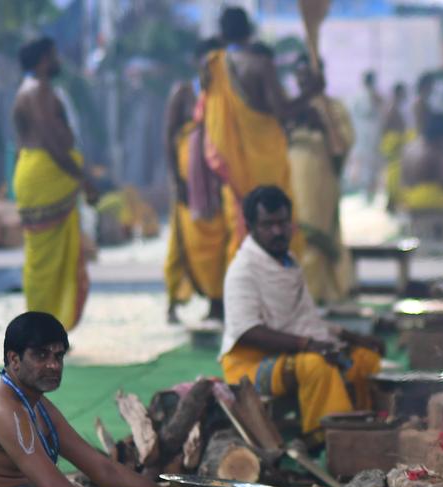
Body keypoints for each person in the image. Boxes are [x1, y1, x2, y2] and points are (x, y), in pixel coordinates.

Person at [0, 313, 170, 487]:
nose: (53, 365)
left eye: (58, 356)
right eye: (41, 355)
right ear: (14, 360)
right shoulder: (3, 409)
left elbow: (103, 470)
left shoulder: (36, 402)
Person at [219, 187, 382, 445]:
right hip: (248, 366)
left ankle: (364, 427)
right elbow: (248, 331)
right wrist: (307, 345)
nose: (277, 231)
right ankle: (328, 439)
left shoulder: (289, 261)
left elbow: (306, 318)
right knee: (316, 364)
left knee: (365, 359)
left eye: (283, 223)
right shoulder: (242, 270)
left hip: (291, 352)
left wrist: (352, 336)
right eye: (268, 225)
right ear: (250, 227)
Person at [202, 6, 321, 259]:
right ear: (250, 30)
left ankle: (239, 286)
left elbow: (209, 118)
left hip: (233, 163)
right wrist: (312, 92)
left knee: (241, 220)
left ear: (222, 33)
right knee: (275, 219)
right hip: (266, 160)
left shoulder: (211, 66)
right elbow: (282, 109)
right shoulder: (260, 64)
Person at [11, 37, 96, 331]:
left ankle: (46, 327)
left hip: (43, 174)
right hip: (46, 175)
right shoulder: (37, 91)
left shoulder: (31, 89)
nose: (58, 60)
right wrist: (83, 178)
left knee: (50, 257)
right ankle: (38, 329)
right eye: (54, 55)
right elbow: (50, 140)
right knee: (44, 260)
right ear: (43, 60)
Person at [163, 37, 227, 324]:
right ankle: (174, 301)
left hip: (218, 181)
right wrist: (176, 181)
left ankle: (217, 302)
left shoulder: (223, 91)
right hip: (188, 184)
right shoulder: (184, 92)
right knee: (183, 243)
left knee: (221, 242)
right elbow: (168, 137)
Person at [287, 52, 356, 305]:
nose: (304, 81)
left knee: (317, 236)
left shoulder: (333, 107)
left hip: (320, 180)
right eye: (300, 76)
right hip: (290, 180)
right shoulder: (290, 107)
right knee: (295, 235)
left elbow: (343, 145)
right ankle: (297, 295)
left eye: (310, 76)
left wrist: (324, 125)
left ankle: (319, 293)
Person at [400, 112, 443, 228]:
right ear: (440, 136)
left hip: (407, 196)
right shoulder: (434, 151)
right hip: (426, 200)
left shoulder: (410, 146)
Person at [351, 70, 383, 203]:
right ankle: (364, 194)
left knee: (373, 165)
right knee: (363, 165)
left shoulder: (377, 96)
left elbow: (381, 112)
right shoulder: (358, 96)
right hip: (362, 135)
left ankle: (372, 194)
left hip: (374, 134)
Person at [380, 83, 408, 212]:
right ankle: (391, 202)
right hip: (393, 146)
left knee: (395, 176)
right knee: (393, 176)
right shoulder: (391, 108)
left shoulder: (394, 108)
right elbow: (386, 129)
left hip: (395, 145)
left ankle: (393, 202)